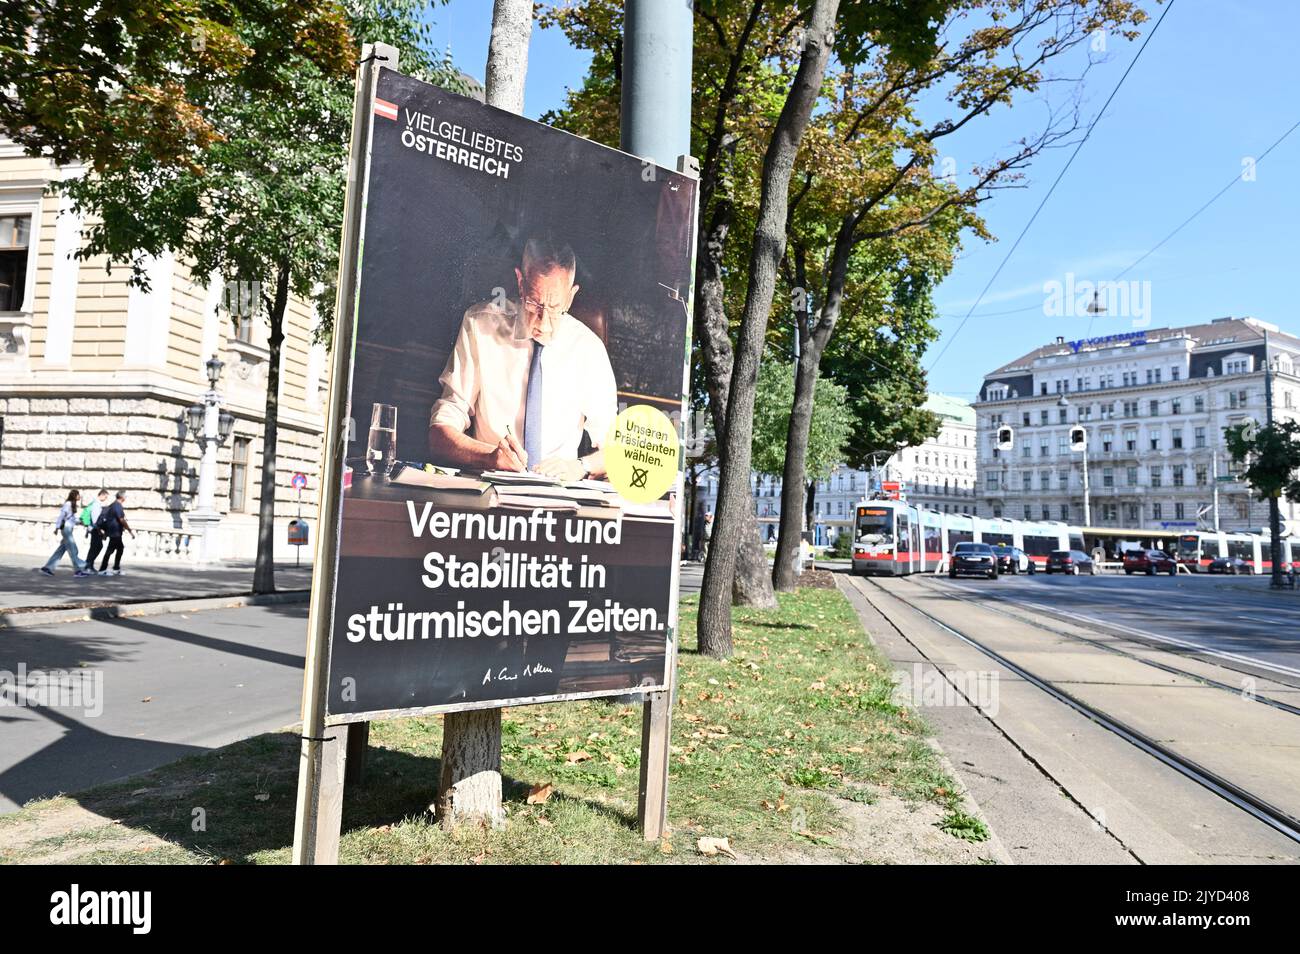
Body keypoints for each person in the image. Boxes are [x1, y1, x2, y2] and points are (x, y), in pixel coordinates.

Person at [428, 234, 617, 482]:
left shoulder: (589, 349)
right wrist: (489, 456)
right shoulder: (479, 325)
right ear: (520, 282)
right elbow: (440, 434)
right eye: (534, 304)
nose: (544, 323)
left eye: (555, 308)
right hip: (490, 485)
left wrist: (579, 466)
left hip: (557, 495)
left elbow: (616, 449)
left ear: (571, 296)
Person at [41, 490, 91, 576]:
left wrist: (80, 521)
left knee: (61, 549)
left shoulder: (72, 504)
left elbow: (71, 519)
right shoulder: (68, 504)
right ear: (75, 495)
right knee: (73, 549)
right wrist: (57, 527)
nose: (80, 497)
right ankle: (78, 570)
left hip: (68, 528)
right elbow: (62, 516)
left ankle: (48, 567)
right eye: (78, 495)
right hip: (66, 529)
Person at [95, 490, 136, 576]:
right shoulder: (117, 506)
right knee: (110, 550)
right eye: (125, 496)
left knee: (120, 549)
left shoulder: (114, 505)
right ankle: (103, 569)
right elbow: (121, 519)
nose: (126, 498)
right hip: (115, 532)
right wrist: (129, 530)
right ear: (122, 497)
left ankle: (116, 568)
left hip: (114, 531)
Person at [83, 488, 110, 572]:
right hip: (95, 529)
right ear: (101, 495)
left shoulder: (96, 504)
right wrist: (99, 529)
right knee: (96, 547)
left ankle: (89, 565)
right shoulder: (96, 504)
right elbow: (95, 520)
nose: (106, 499)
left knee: (95, 547)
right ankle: (88, 565)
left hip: (95, 528)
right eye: (105, 497)